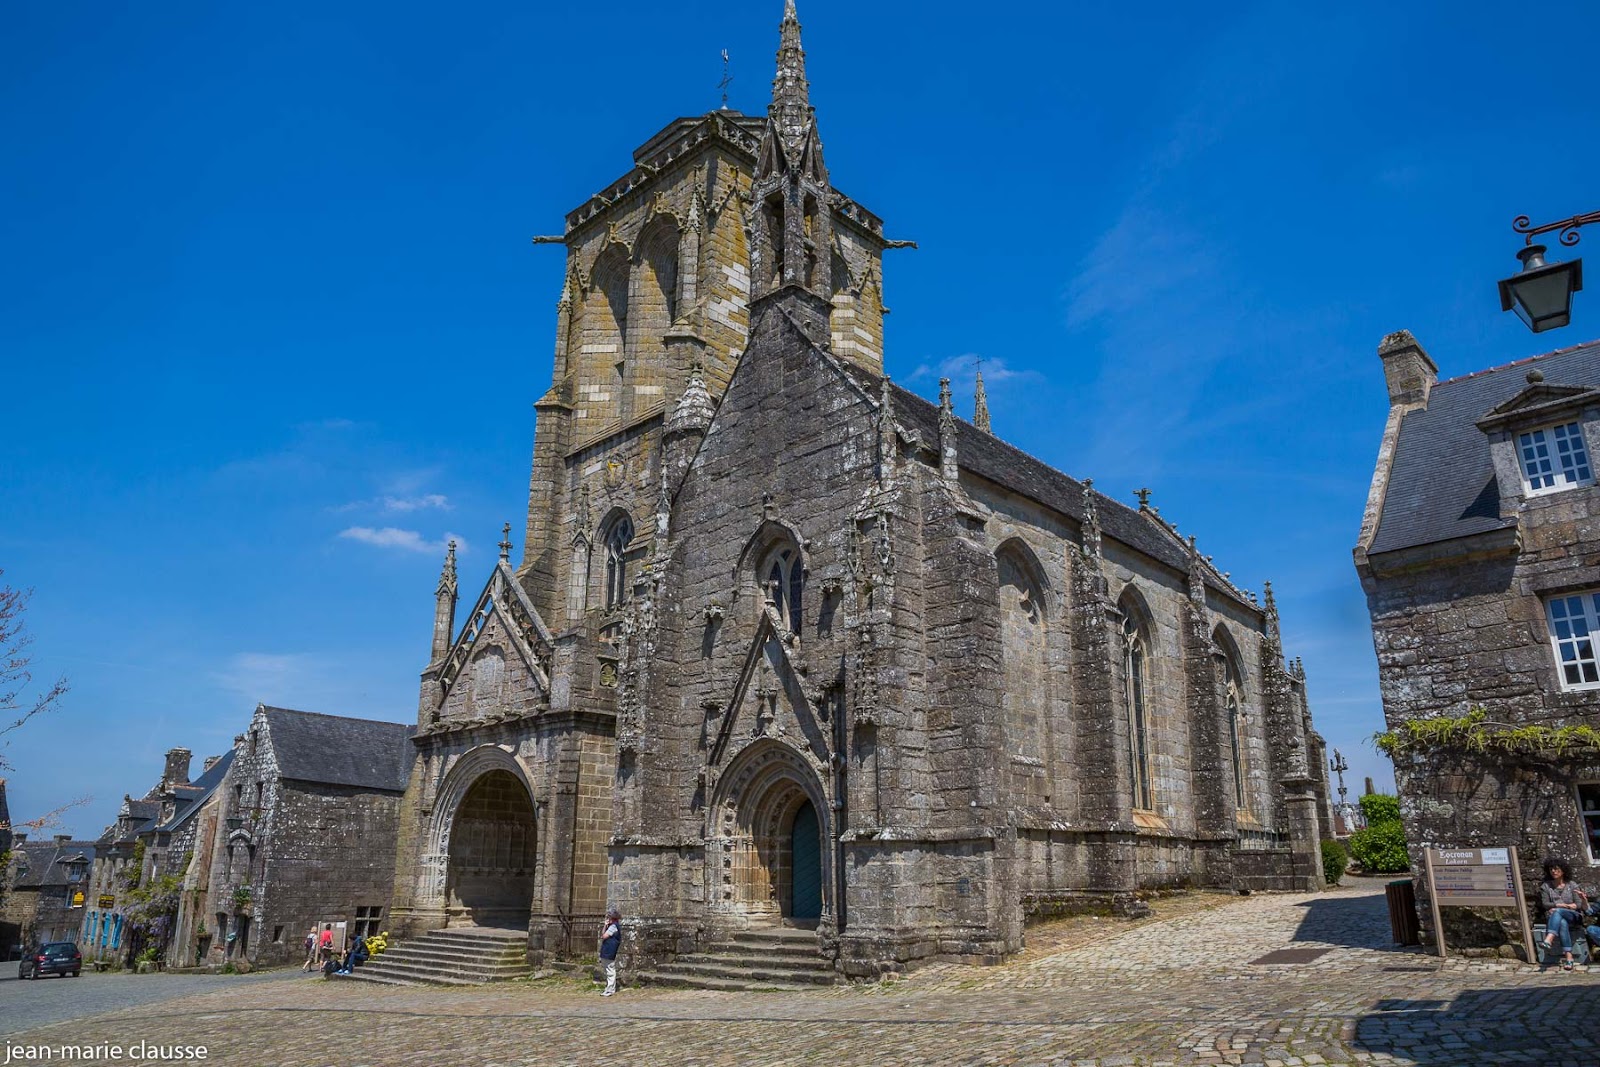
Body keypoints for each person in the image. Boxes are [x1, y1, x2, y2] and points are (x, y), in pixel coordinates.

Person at [1539, 856, 1587, 971]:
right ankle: (1569, 958)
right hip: (1555, 918)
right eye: (1551, 869)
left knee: (1558, 911)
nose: (1553, 871)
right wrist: (1561, 905)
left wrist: (1560, 906)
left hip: (1574, 916)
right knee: (1562, 922)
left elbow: (1578, 905)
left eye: (1556, 869)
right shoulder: (1546, 886)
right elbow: (1545, 904)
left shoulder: (1572, 885)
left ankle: (1549, 938)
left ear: (1563, 870)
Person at [598, 907, 621, 996]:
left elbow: (604, 936)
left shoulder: (614, 927)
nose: (607, 919)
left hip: (610, 950)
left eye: (609, 917)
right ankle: (609, 988)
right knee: (608, 969)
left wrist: (606, 926)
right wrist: (605, 925)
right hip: (607, 950)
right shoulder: (611, 926)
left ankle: (610, 989)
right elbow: (603, 934)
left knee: (610, 970)